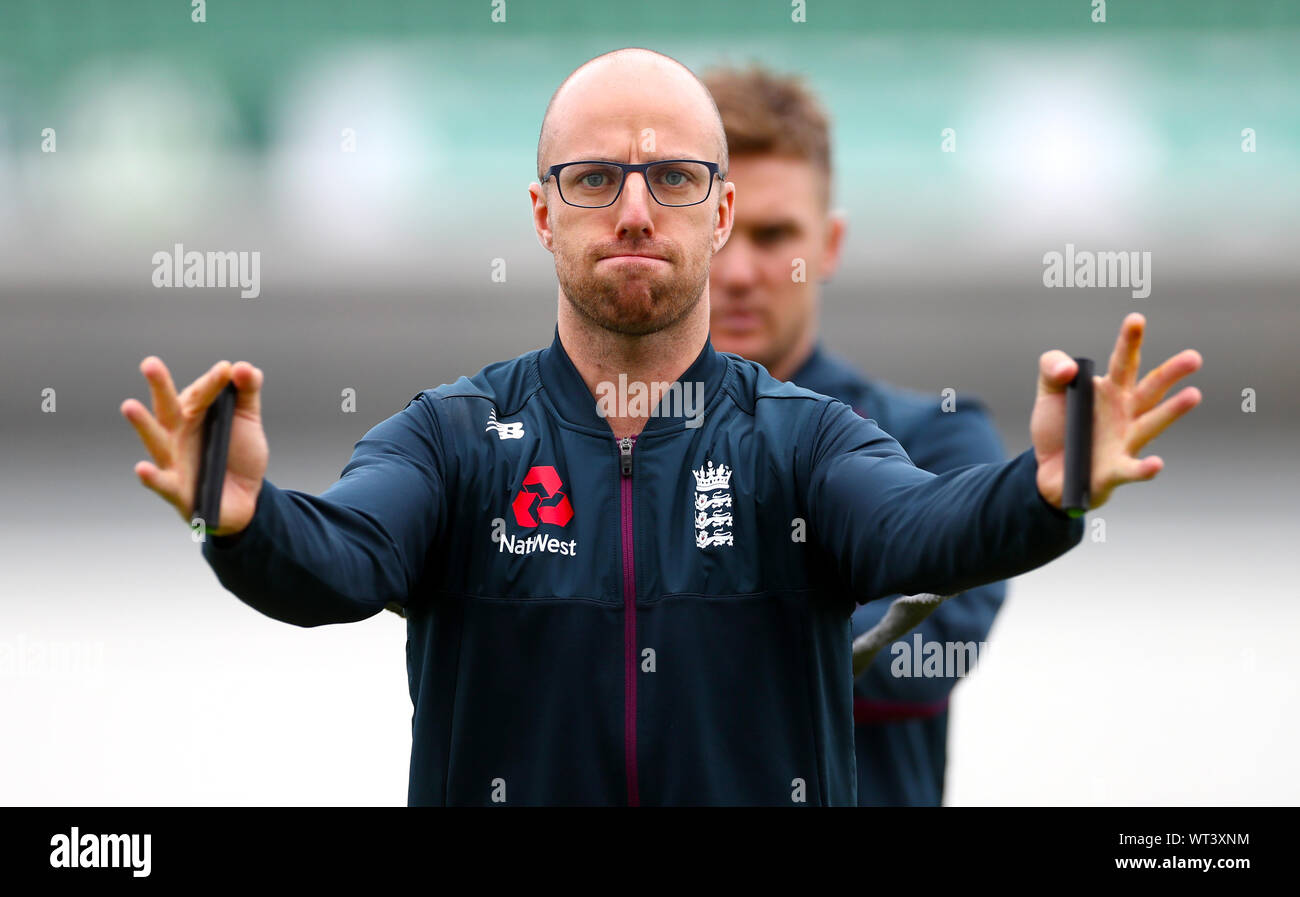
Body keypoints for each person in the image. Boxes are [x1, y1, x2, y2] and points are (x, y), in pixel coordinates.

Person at [120, 48, 1203, 806]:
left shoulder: (808, 442)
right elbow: (341, 561)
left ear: (717, 215)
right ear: (541, 214)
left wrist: (1047, 491)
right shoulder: (447, 436)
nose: (634, 212)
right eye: (594, 180)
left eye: (674, 181)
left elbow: (927, 532)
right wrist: (245, 519)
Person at [703, 65, 1003, 806]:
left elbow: (921, 654)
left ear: (830, 244)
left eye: (774, 235)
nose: (739, 271)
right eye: (717, 233)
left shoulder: (936, 443)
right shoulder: (577, 439)